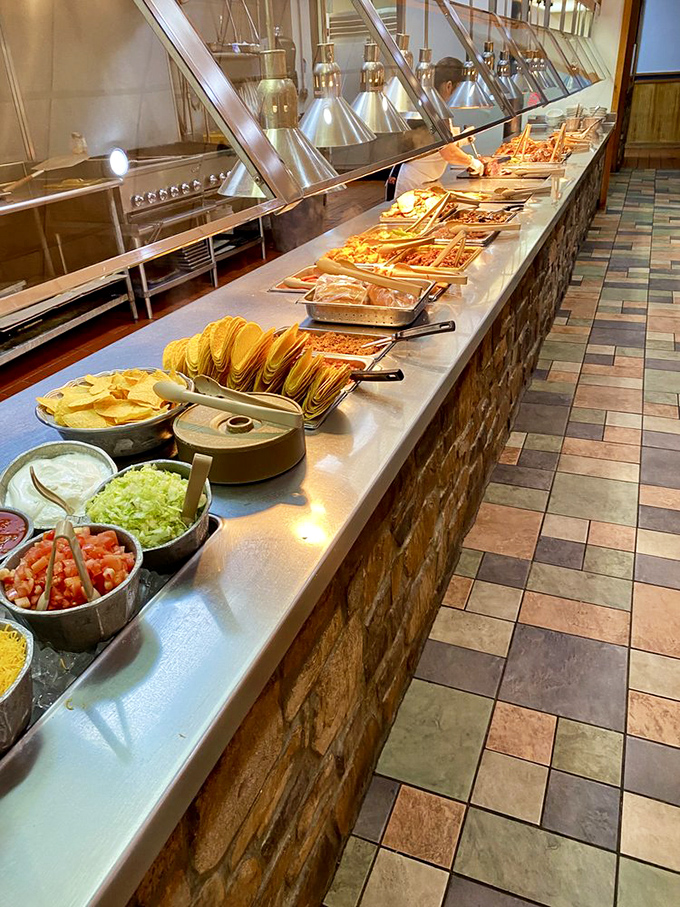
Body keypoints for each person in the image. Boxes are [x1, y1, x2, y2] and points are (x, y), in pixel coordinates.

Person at [385, 56, 485, 200]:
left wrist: (461, 139)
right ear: (449, 86)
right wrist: (472, 162)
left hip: (428, 182)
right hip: (410, 183)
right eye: (460, 89)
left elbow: (438, 144)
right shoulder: (430, 108)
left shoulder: (439, 107)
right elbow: (448, 153)